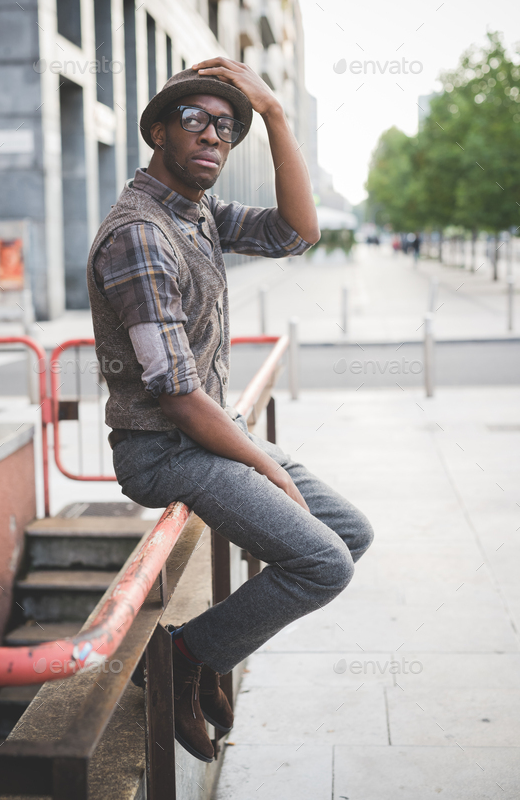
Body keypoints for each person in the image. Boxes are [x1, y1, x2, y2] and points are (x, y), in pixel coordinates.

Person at [87, 58, 374, 763]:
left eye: (226, 127)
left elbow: (294, 232)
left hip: (211, 434)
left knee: (349, 532)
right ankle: (183, 659)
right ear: (157, 131)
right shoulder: (141, 235)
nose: (214, 136)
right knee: (322, 564)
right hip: (165, 448)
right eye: (196, 121)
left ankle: (208, 654)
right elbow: (177, 394)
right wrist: (262, 466)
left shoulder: (199, 213)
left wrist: (275, 114)